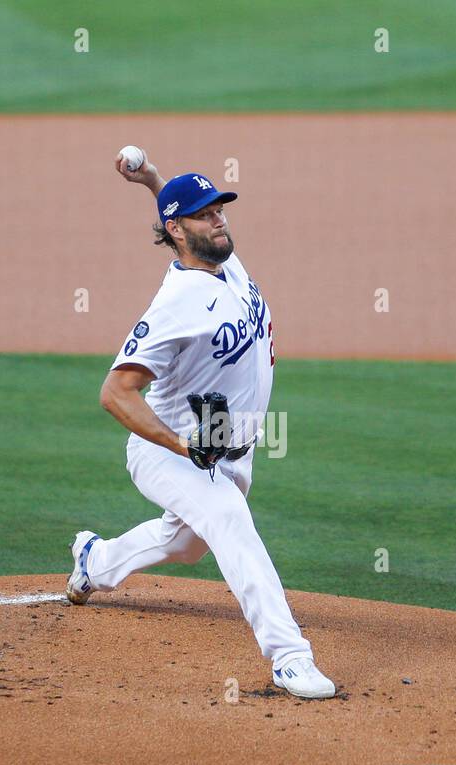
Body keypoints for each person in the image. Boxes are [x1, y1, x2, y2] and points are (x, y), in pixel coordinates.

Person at [63, 151, 336, 700]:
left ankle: (95, 561)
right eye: (206, 213)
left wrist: (155, 183)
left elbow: (176, 211)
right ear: (178, 229)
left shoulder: (224, 264)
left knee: (187, 544)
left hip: (230, 451)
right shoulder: (174, 306)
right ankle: (289, 657)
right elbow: (115, 392)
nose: (220, 220)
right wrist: (181, 445)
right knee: (229, 521)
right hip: (171, 449)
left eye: (219, 209)